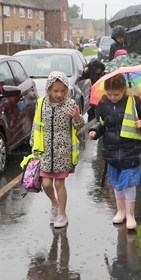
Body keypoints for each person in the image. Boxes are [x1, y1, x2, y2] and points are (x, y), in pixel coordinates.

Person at [88, 73, 141, 231]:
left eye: (116, 94)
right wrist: (95, 131)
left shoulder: (135, 101)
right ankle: (121, 210)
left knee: (129, 183)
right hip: (112, 150)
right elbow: (102, 123)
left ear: (124, 89)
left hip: (131, 149)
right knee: (117, 184)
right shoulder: (103, 103)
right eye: (109, 94)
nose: (112, 97)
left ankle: (130, 214)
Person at [32, 71, 84, 229]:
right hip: (46, 152)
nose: (59, 94)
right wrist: (34, 146)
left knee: (59, 184)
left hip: (63, 152)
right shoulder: (41, 104)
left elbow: (79, 126)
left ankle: (62, 213)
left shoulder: (71, 104)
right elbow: (36, 126)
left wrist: (77, 117)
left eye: (62, 91)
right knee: (46, 184)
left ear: (67, 90)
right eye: (56, 91)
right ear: (49, 90)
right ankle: (54, 204)